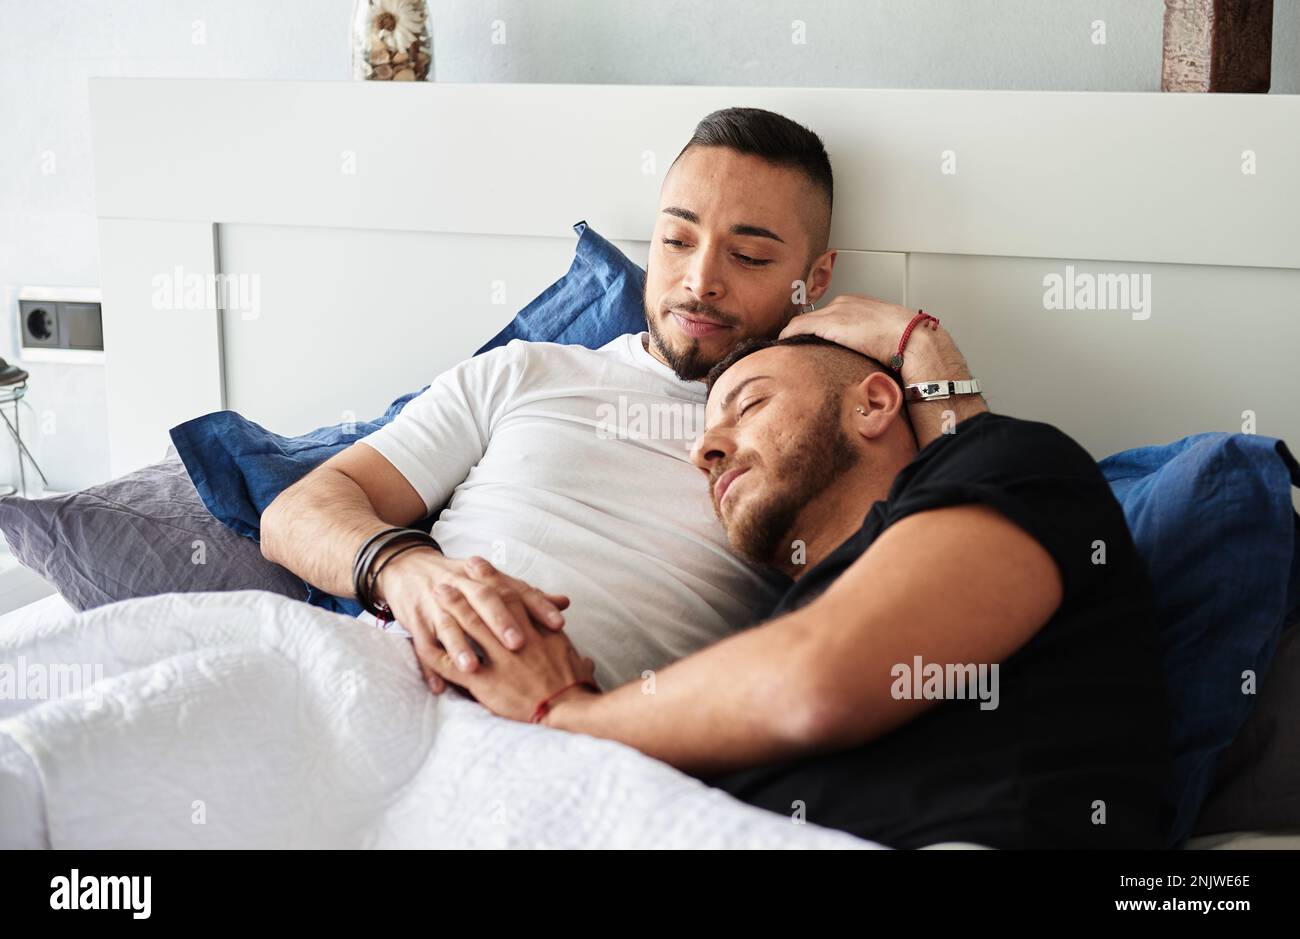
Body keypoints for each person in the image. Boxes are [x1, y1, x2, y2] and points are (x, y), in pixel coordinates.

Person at [260, 106, 986, 693]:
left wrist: (916, 342)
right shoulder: (526, 372)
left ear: (816, 276)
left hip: (580, 741)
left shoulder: (829, 423)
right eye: (676, 240)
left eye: (750, 256)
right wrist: (406, 571)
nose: (700, 280)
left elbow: (971, 537)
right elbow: (296, 513)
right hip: (377, 671)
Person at [429, 331, 1171, 849]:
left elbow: (815, 683)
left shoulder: (1010, 461)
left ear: (875, 404)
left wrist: (566, 712)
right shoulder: (764, 632)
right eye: (703, 434)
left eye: (748, 405)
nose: (703, 449)